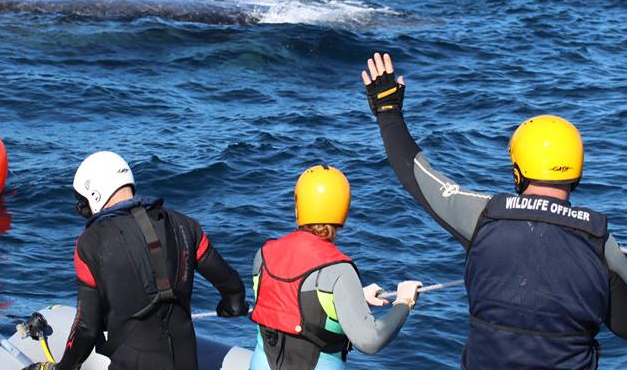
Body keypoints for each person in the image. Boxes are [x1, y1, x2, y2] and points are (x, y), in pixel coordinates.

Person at [361, 52, 627, 370]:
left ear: (517, 172)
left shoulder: (483, 217)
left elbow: (416, 173)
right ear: (577, 172)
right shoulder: (598, 240)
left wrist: (388, 110)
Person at [31, 150, 248, 370]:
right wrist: (232, 307)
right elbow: (233, 287)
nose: (85, 212)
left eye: (83, 206)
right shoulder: (186, 225)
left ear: (95, 196)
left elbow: (87, 328)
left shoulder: (90, 244)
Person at [249, 164, 422, 370]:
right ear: (343, 209)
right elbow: (370, 340)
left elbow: (290, 302)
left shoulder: (263, 256)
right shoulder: (340, 271)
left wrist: (352, 297)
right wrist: (404, 301)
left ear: (298, 205)